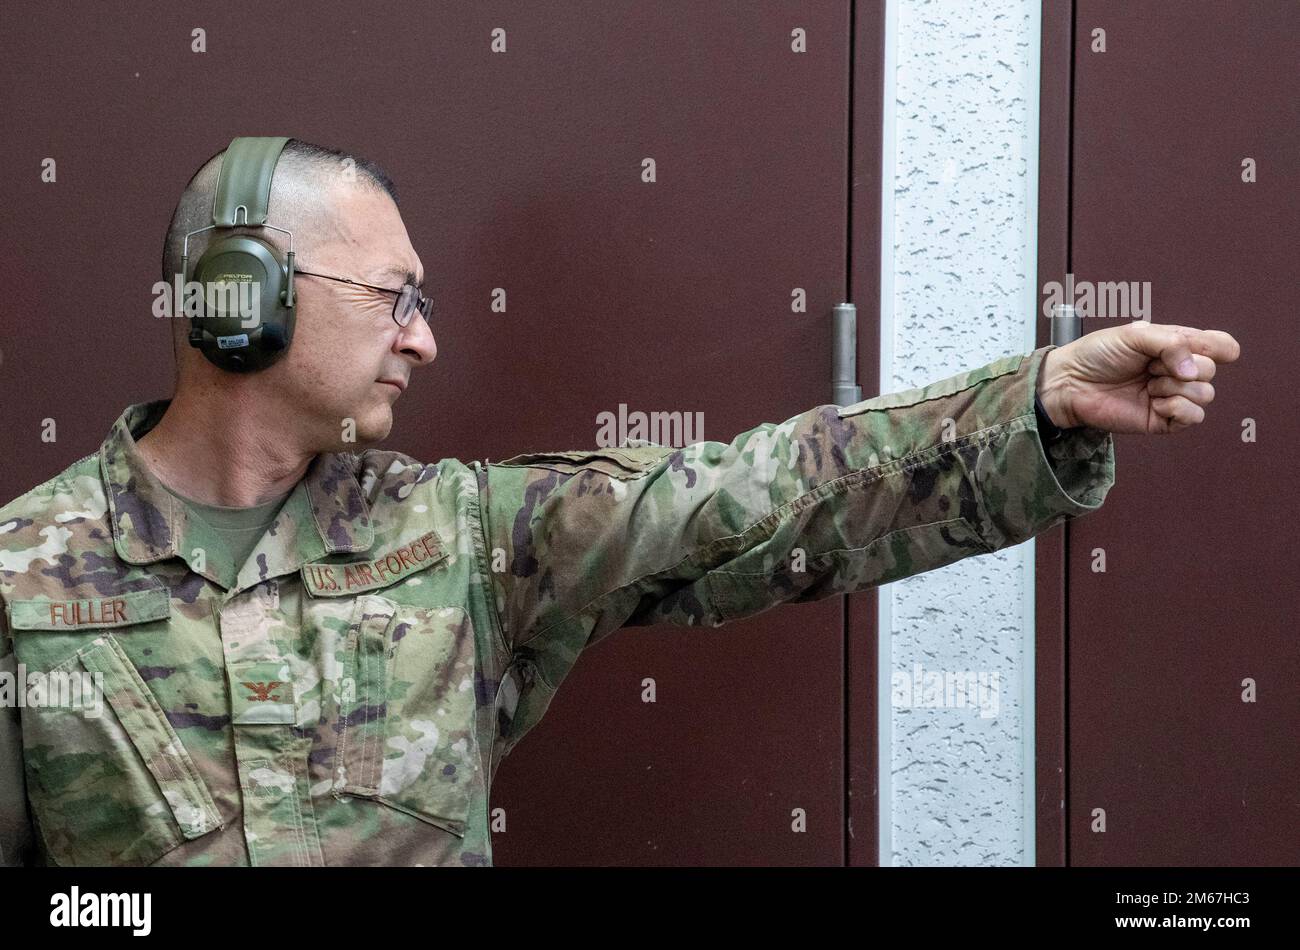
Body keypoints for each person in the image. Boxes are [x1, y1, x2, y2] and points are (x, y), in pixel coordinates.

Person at [0, 137, 1240, 867]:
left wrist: (1032, 403)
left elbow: (755, 499)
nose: (426, 341)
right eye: (396, 297)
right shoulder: (24, 579)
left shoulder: (466, 538)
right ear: (240, 296)